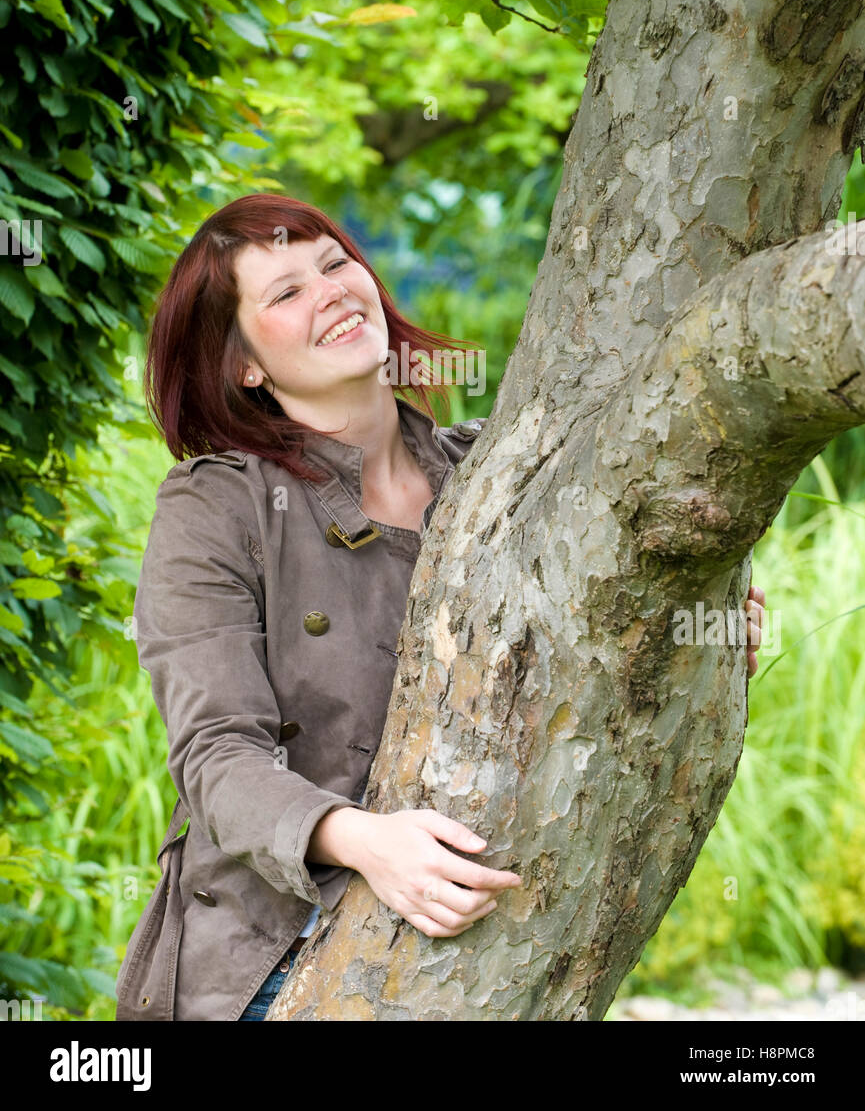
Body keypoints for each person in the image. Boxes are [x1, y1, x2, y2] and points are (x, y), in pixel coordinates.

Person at [115, 192, 765, 1022]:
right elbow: (215, 757)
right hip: (266, 962)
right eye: (284, 293)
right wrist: (365, 840)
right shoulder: (217, 508)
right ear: (245, 364)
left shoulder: (496, 472)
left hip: (489, 942)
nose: (331, 291)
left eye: (334, 263)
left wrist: (694, 631)